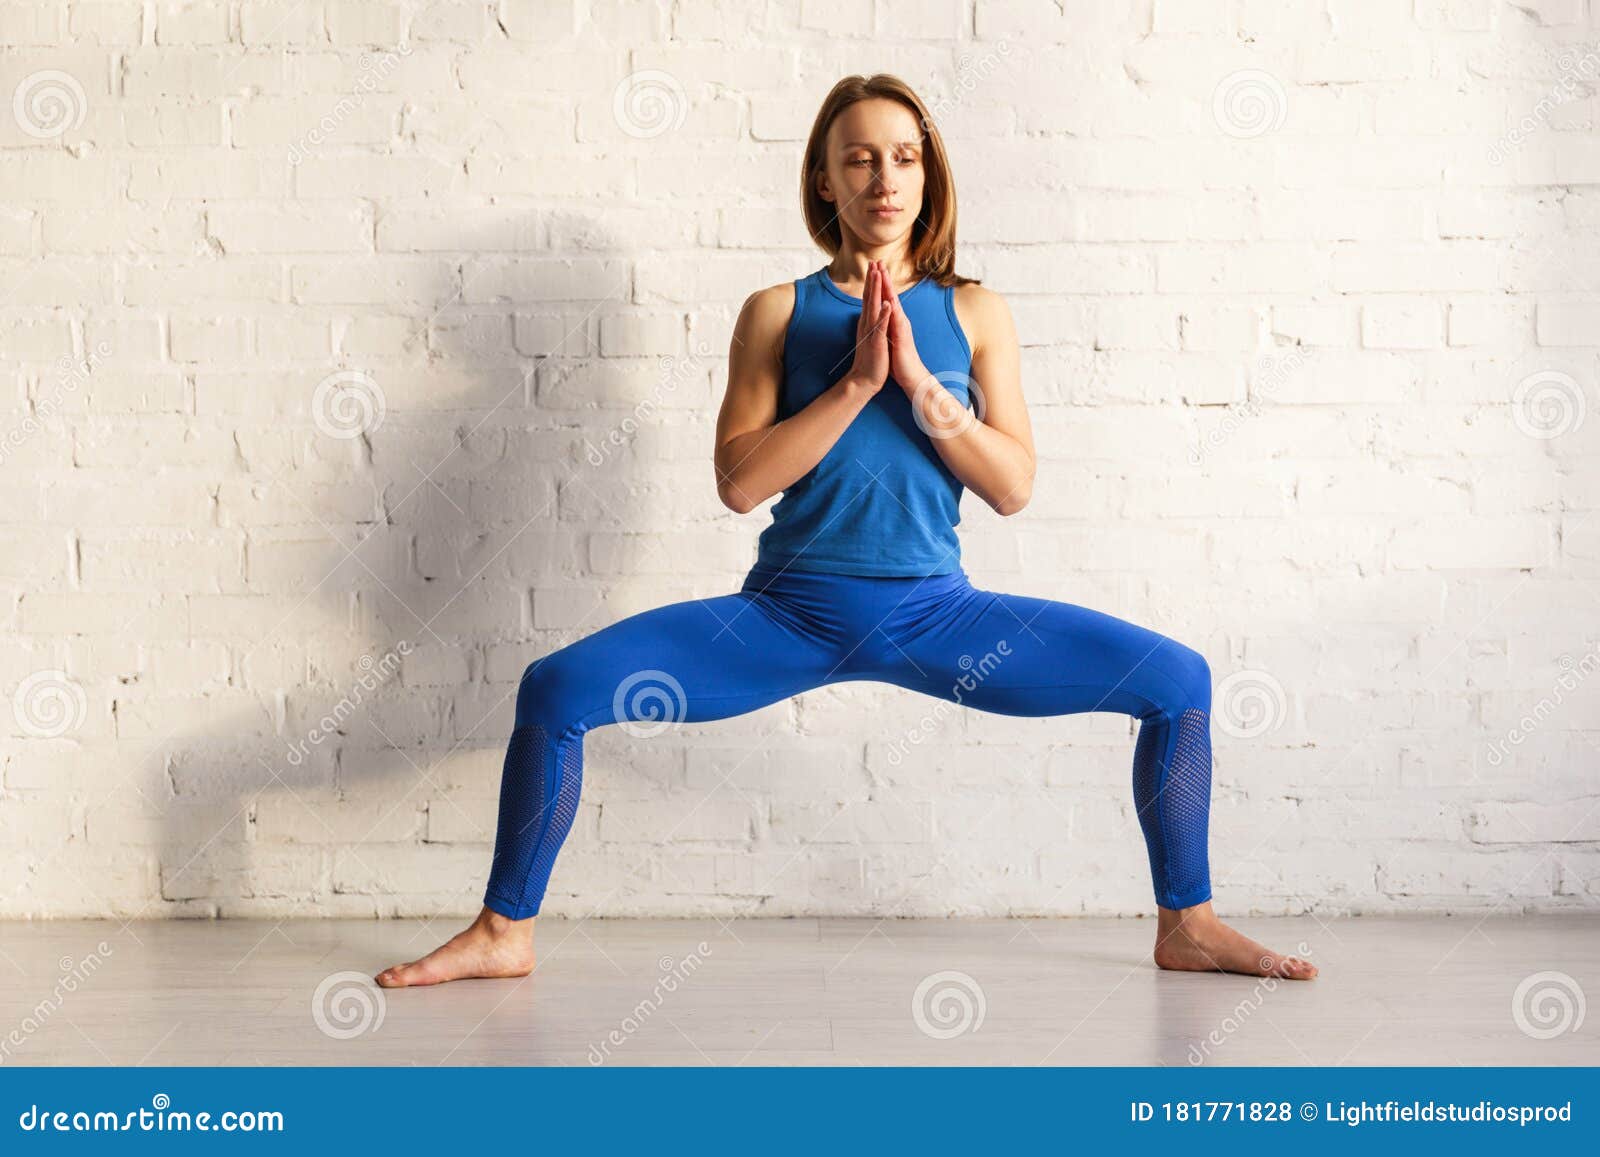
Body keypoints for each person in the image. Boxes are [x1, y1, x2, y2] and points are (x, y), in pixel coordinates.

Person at [376, 74, 1317, 988]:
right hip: (787, 615)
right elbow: (740, 484)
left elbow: (1013, 484)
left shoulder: (974, 311)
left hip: (938, 618)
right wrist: (858, 382)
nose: (884, 179)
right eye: (859, 160)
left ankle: (1186, 926)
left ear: (927, 175)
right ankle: (506, 931)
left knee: (1177, 681)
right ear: (824, 179)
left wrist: (915, 382)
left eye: (904, 157)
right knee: (557, 688)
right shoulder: (778, 312)